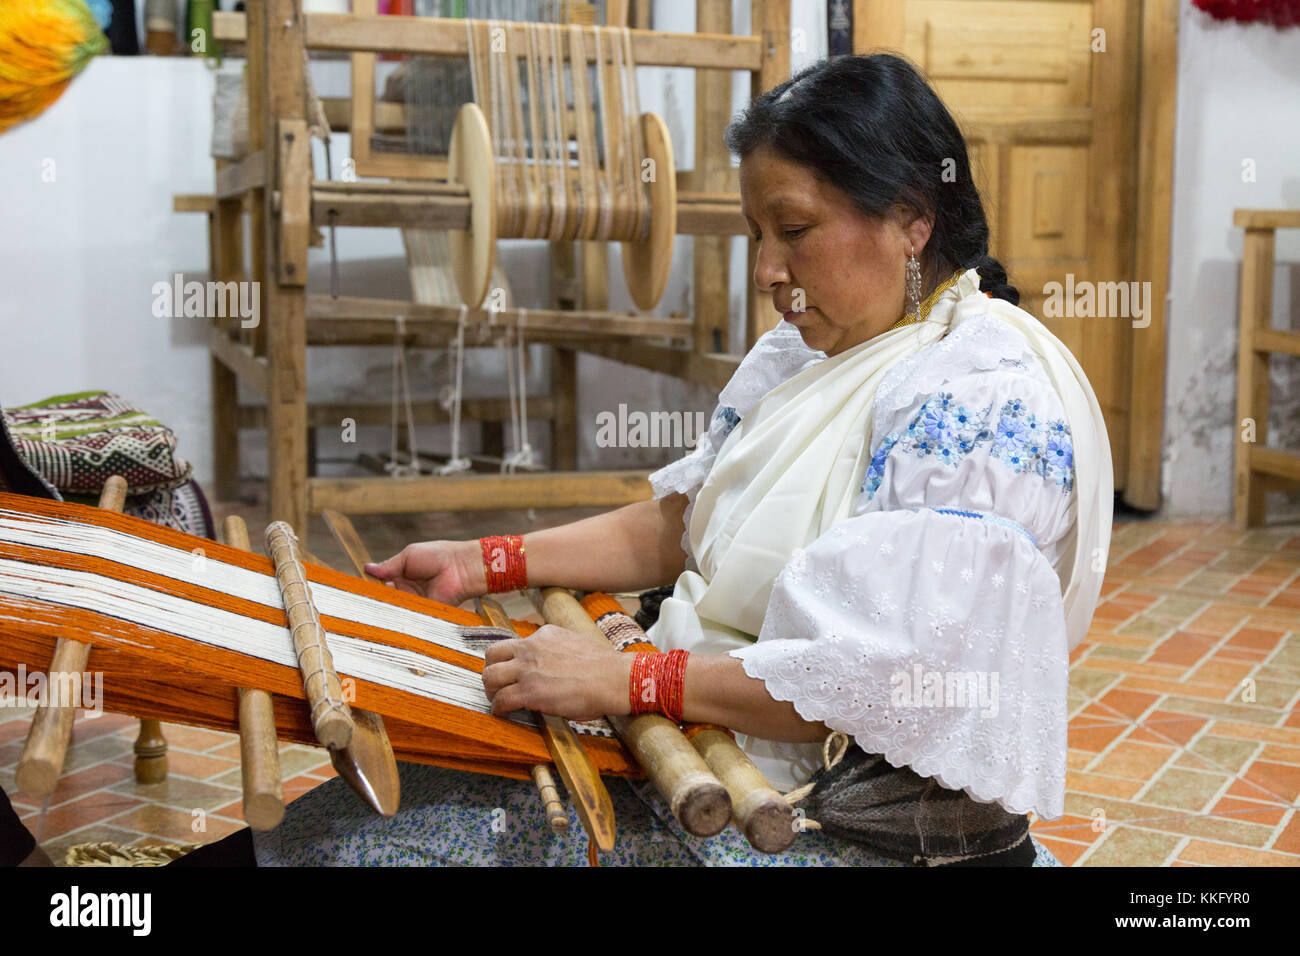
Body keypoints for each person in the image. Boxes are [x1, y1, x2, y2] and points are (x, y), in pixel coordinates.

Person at [177, 52, 1113, 867]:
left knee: (390, 842)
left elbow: (879, 681)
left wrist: (627, 682)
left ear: (911, 221)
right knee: (385, 800)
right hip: (702, 731)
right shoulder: (815, 348)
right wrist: (489, 559)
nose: (766, 272)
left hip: (819, 822)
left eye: (793, 232)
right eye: (758, 235)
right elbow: (689, 521)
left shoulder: (981, 395)